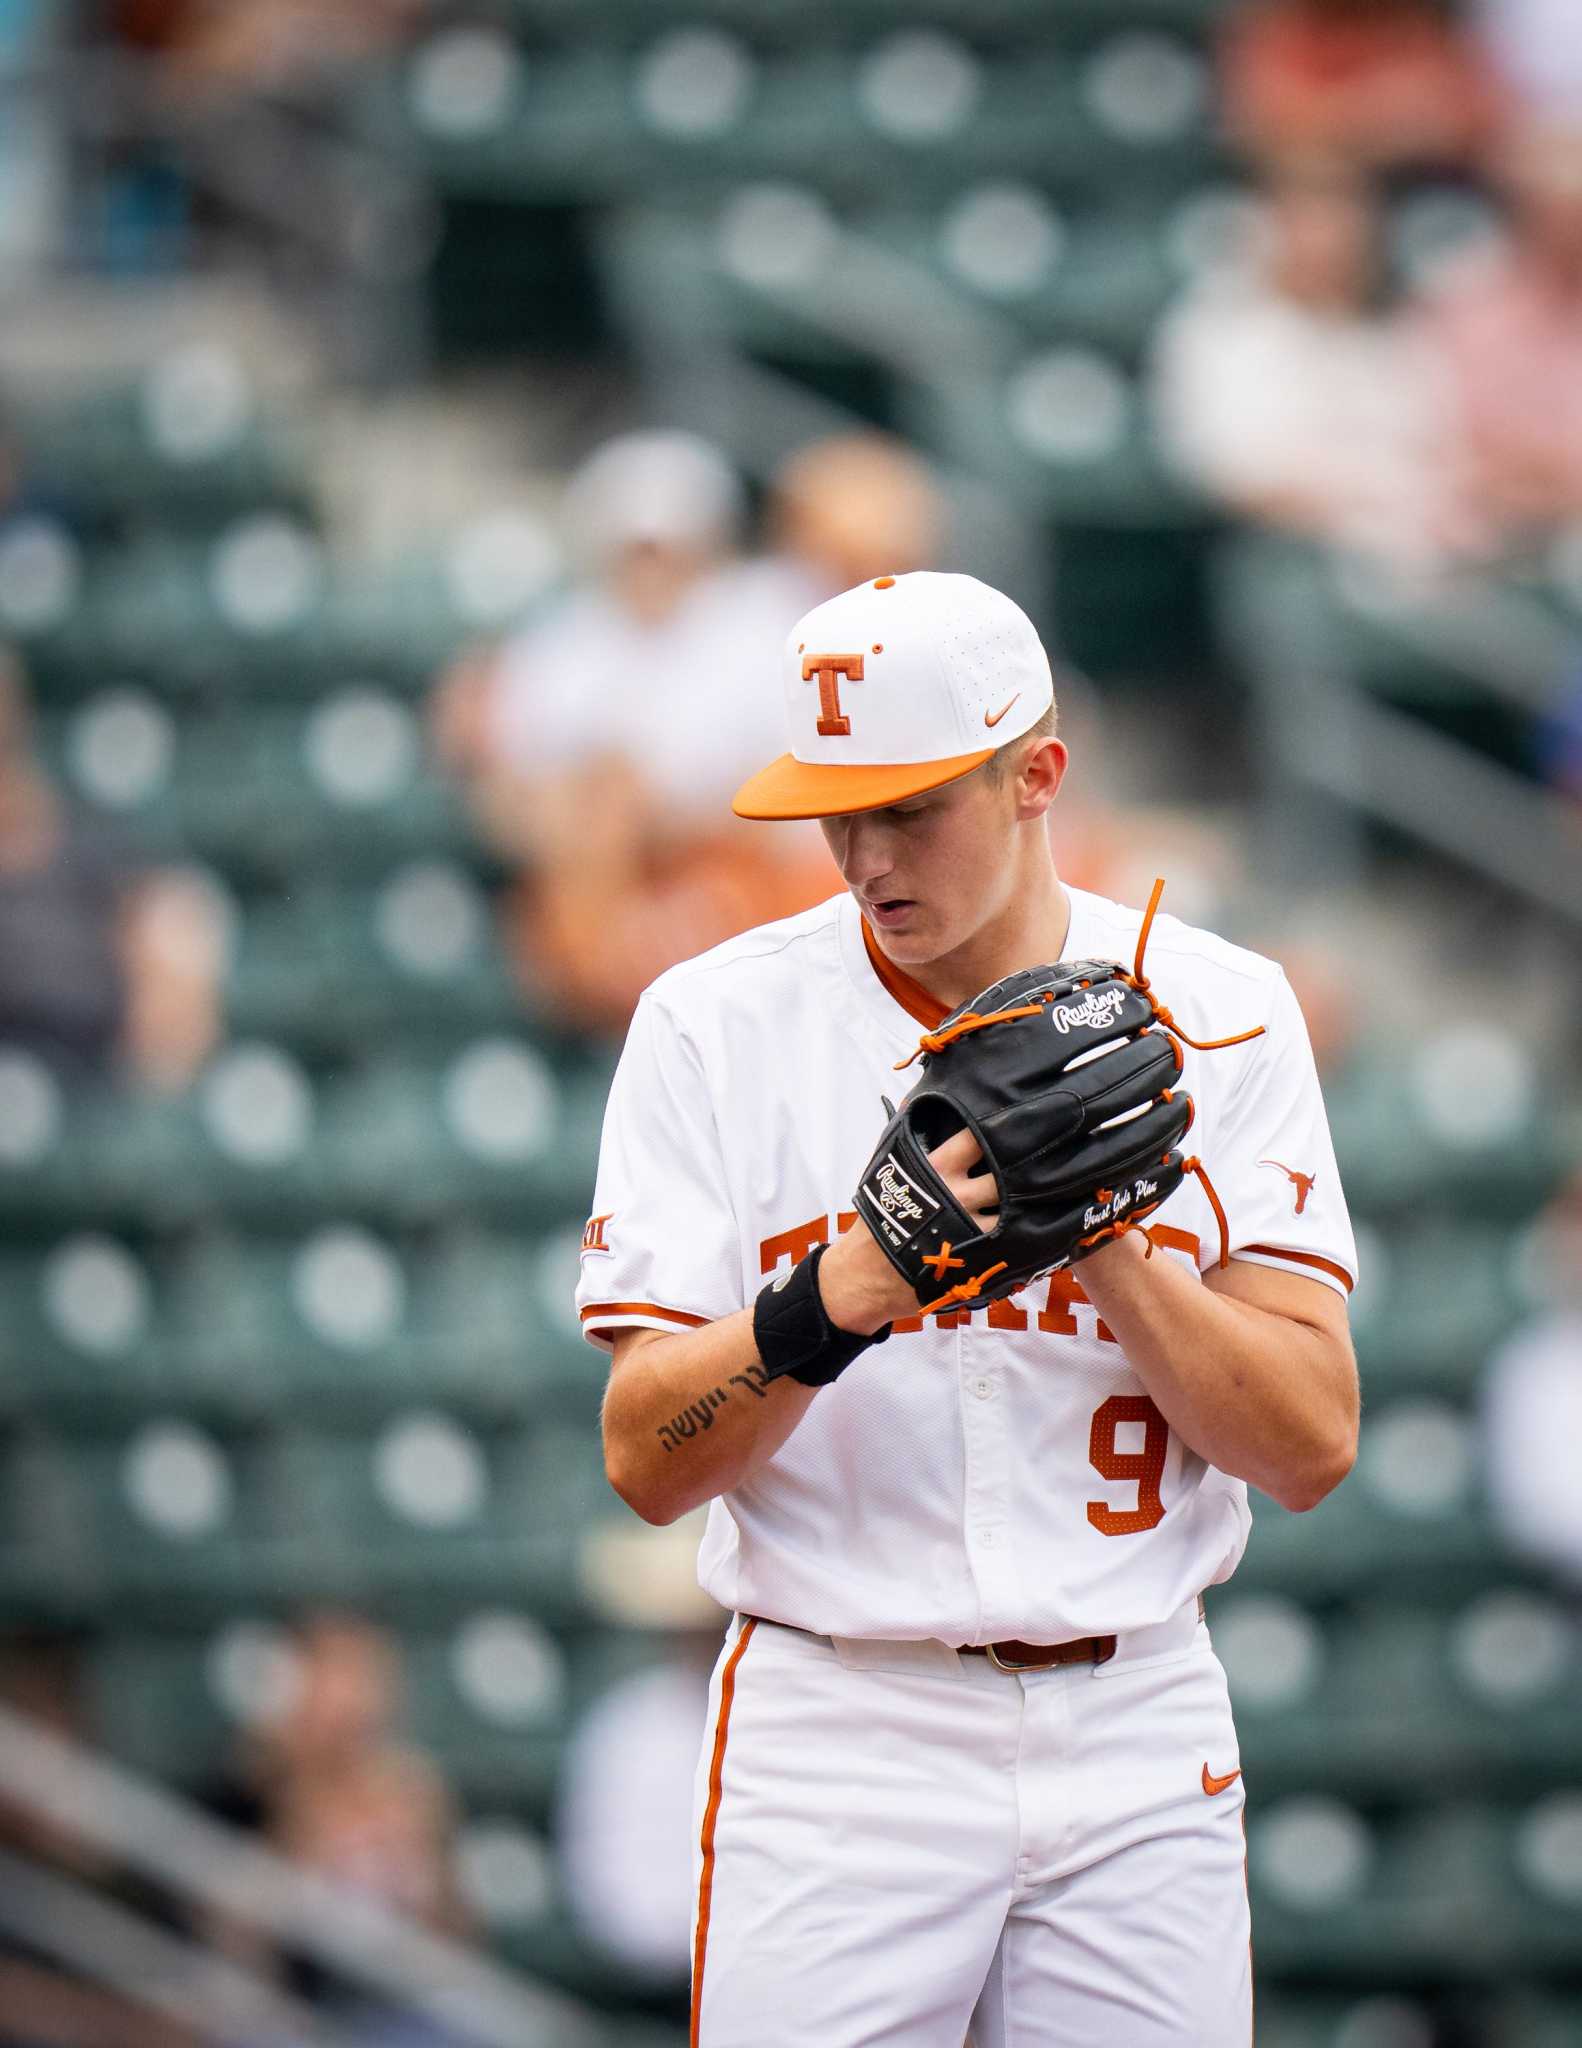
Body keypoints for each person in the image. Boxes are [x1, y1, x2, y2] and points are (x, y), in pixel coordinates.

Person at [578, 571, 1360, 2043]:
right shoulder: (712, 1023)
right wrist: (839, 1293)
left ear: (1035, 775)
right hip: (843, 1724)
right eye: (836, 812)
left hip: (1136, 1718)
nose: (865, 856)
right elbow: (644, 1458)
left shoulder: (1226, 1010)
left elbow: (1310, 1444)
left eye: (911, 807)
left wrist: (1105, 1239)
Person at [1152, 156, 1470, 566]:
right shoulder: (1221, 327)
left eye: (1348, 220)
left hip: (1432, 550)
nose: (1332, 241)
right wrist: (1370, 509)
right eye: (1313, 221)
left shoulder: (1399, 332)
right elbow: (1232, 481)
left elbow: (1443, 450)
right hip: (1294, 557)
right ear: (1270, 227)